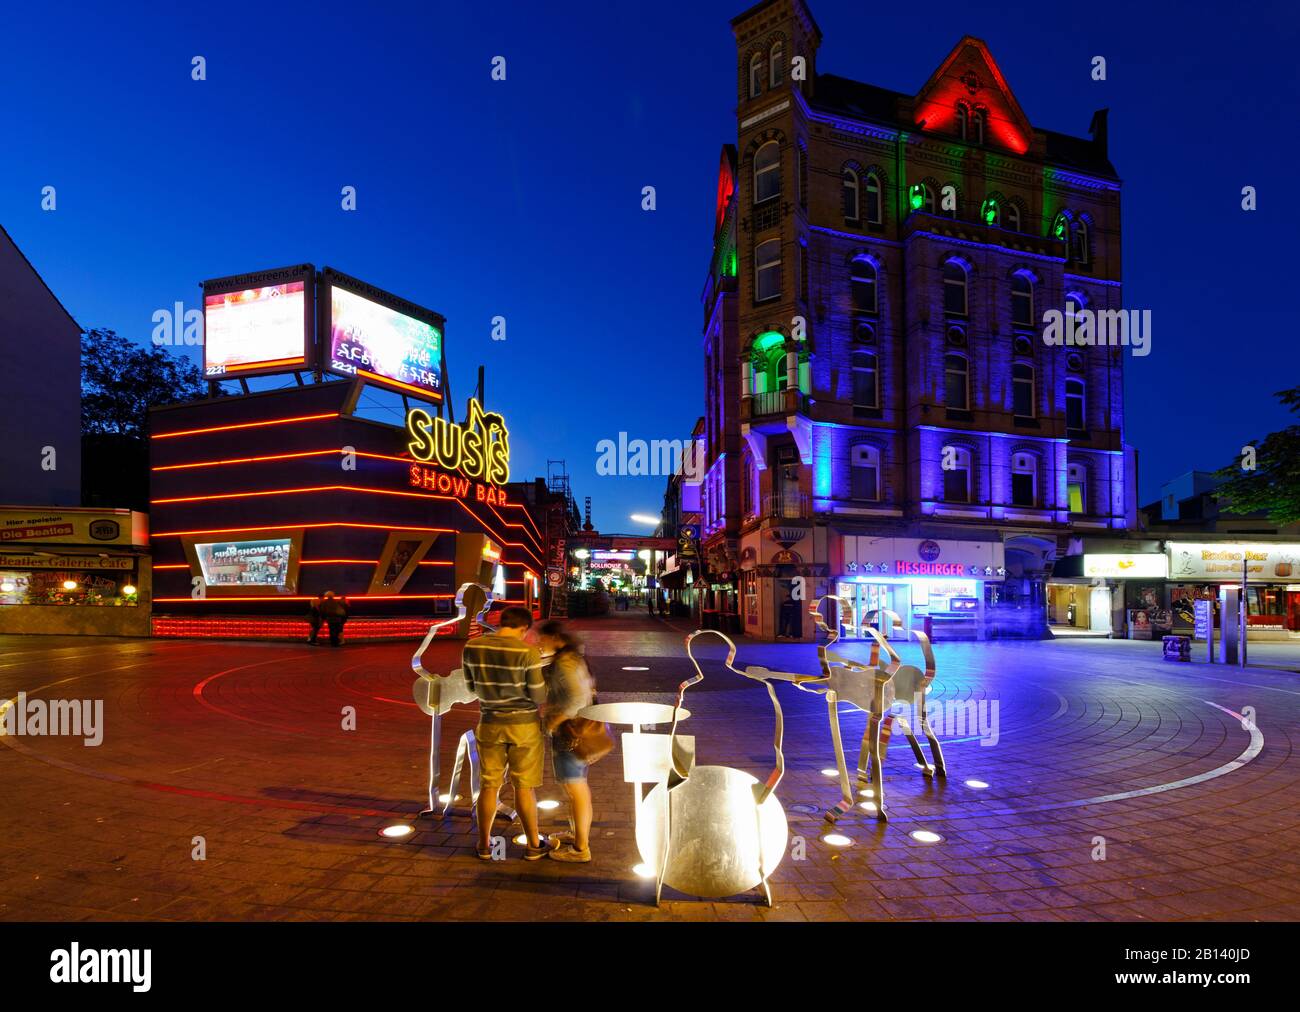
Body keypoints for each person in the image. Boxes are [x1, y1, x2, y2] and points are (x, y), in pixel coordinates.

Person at [462, 605, 552, 861]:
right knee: (524, 786)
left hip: (489, 722)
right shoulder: (527, 652)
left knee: (489, 785)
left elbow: (470, 687)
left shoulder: (473, 646)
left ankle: (483, 846)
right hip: (523, 726)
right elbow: (537, 695)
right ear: (524, 627)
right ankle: (533, 846)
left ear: (501, 623)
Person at [536, 620, 596, 862]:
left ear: (554, 638)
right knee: (576, 788)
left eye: (542, 638)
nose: (539, 643)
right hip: (576, 730)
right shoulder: (570, 657)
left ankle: (581, 849)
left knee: (576, 788)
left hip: (569, 732)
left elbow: (577, 700)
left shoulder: (565, 663)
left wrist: (552, 723)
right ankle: (577, 834)